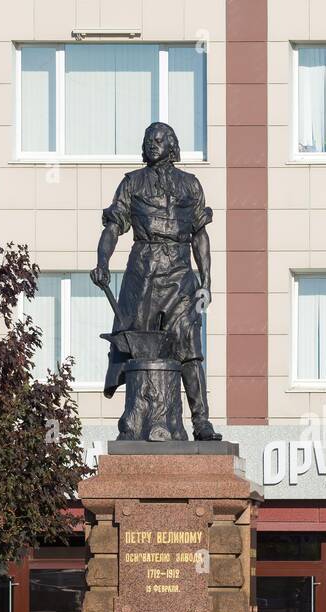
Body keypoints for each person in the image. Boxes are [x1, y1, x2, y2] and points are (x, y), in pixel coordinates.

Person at [90, 121, 221, 441]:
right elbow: (113, 226)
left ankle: (201, 421)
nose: (152, 144)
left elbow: (199, 235)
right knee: (138, 350)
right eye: (148, 139)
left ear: (172, 146)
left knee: (189, 348)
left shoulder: (191, 185)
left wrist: (206, 281)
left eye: (159, 139)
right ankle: (137, 420)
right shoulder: (132, 183)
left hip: (179, 275)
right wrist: (102, 261)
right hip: (143, 274)